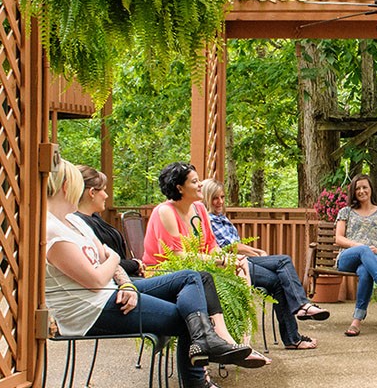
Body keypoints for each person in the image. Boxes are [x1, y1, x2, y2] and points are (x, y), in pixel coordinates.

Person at [44, 158, 250, 388]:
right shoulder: (52, 230)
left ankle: (206, 341)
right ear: (66, 187)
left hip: (113, 292)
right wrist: (113, 258)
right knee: (188, 319)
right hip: (90, 309)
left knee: (193, 276)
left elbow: (110, 264)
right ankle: (200, 377)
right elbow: (96, 279)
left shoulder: (74, 223)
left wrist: (127, 284)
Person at [141, 162, 268, 366]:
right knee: (209, 278)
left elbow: (211, 246)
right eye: (194, 181)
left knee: (241, 265)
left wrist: (227, 259)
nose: (200, 185)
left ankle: (243, 344)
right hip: (166, 274)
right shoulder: (164, 211)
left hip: (197, 268)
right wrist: (217, 260)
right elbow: (178, 256)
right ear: (179, 188)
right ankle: (226, 342)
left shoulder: (199, 209)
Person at [202, 179, 329, 350]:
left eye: (222, 197)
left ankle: (294, 335)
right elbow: (228, 247)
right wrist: (257, 251)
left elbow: (236, 246)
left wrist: (254, 251)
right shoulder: (209, 219)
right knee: (283, 260)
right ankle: (301, 310)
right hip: (232, 267)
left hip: (243, 262)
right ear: (206, 198)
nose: (220, 202)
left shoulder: (221, 218)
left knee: (279, 280)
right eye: (215, 198)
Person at [334, 174, 377, 337]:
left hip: (373, 257)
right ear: (353, 191)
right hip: (347, 257)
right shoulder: (346, 212)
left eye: (365, 187)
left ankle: (356, 322)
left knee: (366, 271)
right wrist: (360, 247)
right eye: (357, 188)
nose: (361, 191)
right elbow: (339, 238)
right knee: (364, 250)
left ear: (371, 189)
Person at [71, 165, 144, 278]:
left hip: (126, 278)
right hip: (113, 284)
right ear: (92, 192)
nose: (106, 196)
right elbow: (103, 261)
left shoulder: (94, 217)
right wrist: (135, 264)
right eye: (104, 190)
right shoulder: (79, 224)